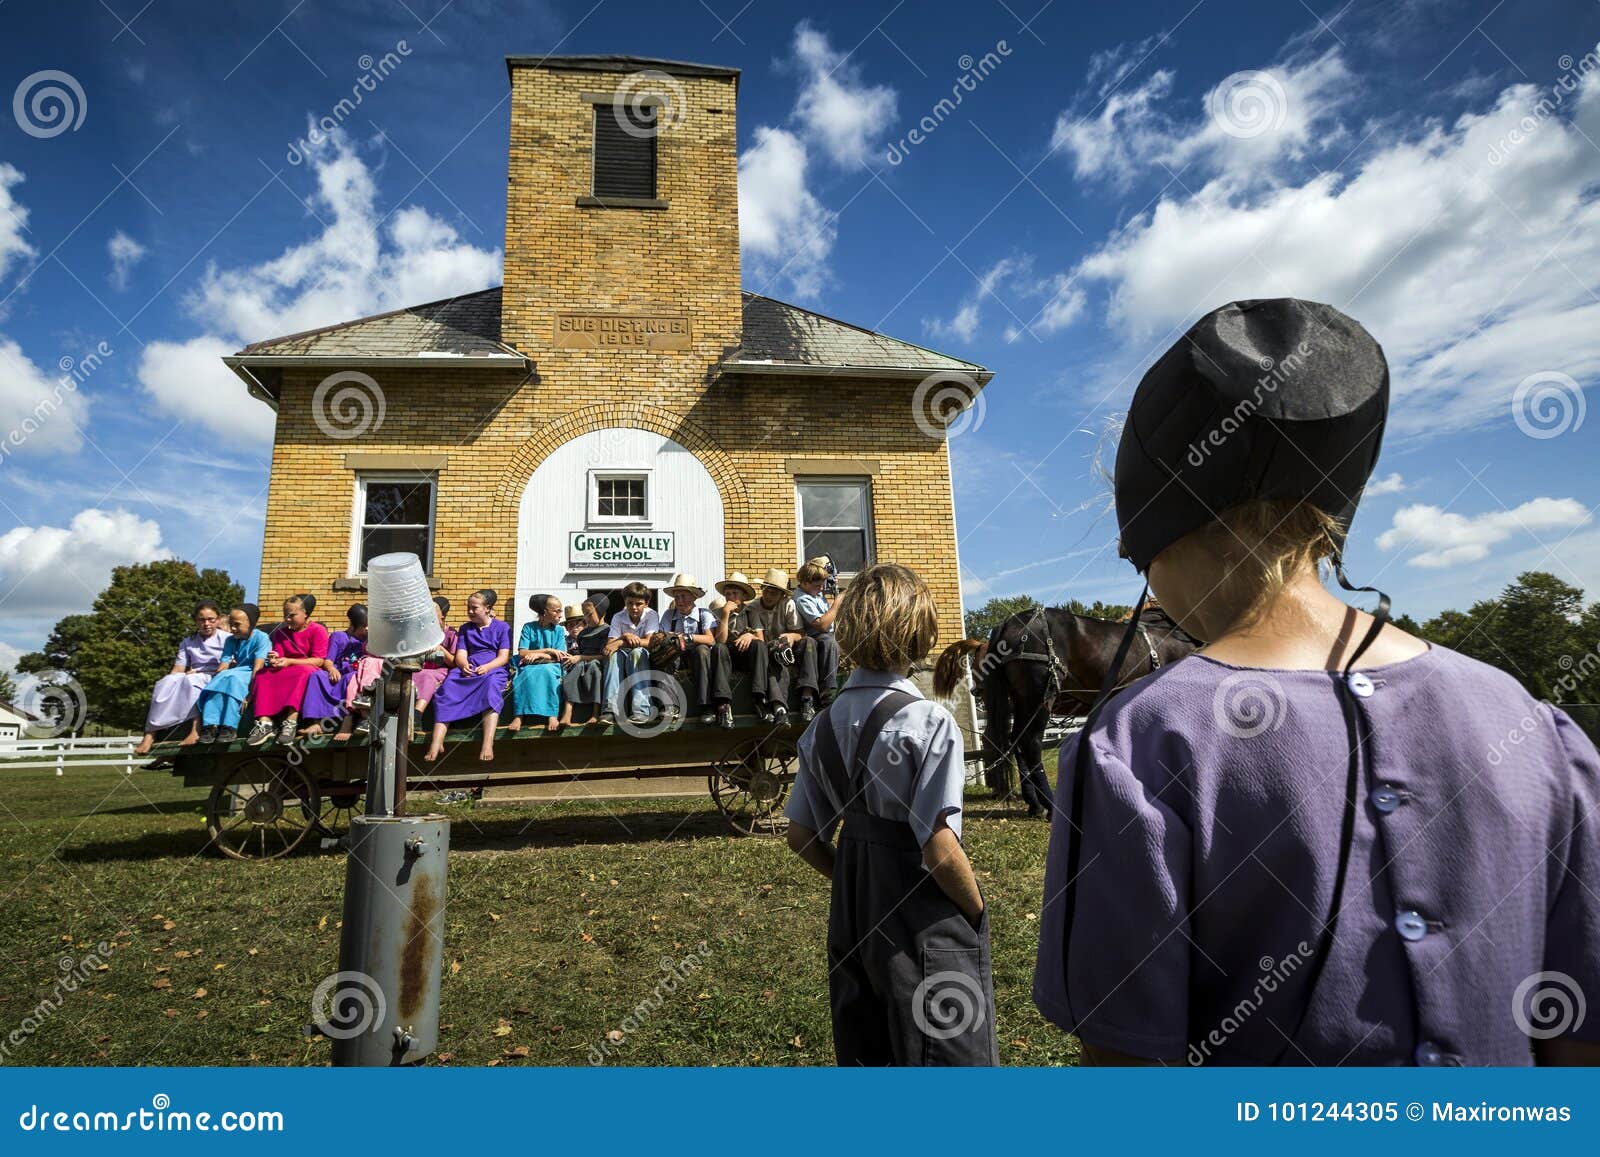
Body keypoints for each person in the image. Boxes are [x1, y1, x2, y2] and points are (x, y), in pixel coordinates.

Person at [1034, 298, 1600, 1067]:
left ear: (1158, 527)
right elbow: (1578, 1048)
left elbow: (1129, 1078)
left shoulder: (1137, 746)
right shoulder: (1530, 722)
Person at [784, 563, 996, 1066]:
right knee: (946, 1052)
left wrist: (854, 879)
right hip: (921, 914)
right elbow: (939, 848)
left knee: (866, 1046)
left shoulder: (822, 725)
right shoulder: (929, 720)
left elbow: (800, 834)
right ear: (920, 634)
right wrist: (975, 910)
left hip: (853, 912)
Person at [425, 589, 512, 762]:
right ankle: (437, 741)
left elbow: (503, 657)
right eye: (468, 608)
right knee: (448, 687)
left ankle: (487, 743)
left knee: (491, 687)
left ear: (487, 608)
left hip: (493, 667)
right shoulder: (465, 629)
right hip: (470, 666)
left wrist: (487, 667)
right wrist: (463, 665)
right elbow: (461, 654)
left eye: (475, 608)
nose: (470, 611)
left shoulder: (502, 627)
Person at [133, 601, 228, 754]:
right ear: (195, 621)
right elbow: (178, 668)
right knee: (164, 683)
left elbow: (230, 663)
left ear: (217, 619)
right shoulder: (188, 642)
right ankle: (150, 733)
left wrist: (195, 674)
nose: (206, 624)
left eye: (211, 619)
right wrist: (171, 683)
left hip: (216, 675)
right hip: (192, 674)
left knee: (192, 681)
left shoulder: (227, 639)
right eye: (201, 620)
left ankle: (195, 730)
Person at [246, 595, 330, 747]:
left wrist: (289, 661)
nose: (288, 619)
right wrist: (274, 658)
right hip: (287, 668)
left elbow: (319, 660)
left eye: (292, 615)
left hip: (306, 668)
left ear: (305, 613)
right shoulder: (280, 633)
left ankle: (290, 722)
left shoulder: (318, 630)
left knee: (303, 672)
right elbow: (279, 655)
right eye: (285, 615)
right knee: (262, 675)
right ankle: (265, 723)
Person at [656, 573, 731, 727]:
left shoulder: (705, 614)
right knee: (666, 653)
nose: (679, 600)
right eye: (677, 597)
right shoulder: (668, 615)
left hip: (700, 659)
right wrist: (668, 639)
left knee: (702, 650)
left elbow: (710, 639)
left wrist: (686, 637)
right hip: (677, 657)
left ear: (694, 596)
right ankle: (669, 705)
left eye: (683, 596)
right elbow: (663, 636)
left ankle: (706, 706)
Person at [193, 605, 270, 745]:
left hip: (251, 671)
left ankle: (229, 726)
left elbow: (258, 667)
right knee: (220, 681)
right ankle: (210, 725)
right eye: (231, 624)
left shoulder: (262, 638)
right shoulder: (230, 640)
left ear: (251, 623)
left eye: (237, 624)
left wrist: (251, 693)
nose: (233, 628)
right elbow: (224, 663)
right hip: (236, 671)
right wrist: (217, 677)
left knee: (233, 680)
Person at [752, 569, 817, 724]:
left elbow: (800, 633)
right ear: (762, 589)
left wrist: (790, 637)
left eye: (774, 593)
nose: (768, 596)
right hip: (767, 650)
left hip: (789, 647)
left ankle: (807, 697)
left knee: (809, 642)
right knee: (773, 655)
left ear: (782, 595)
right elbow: (759, 638)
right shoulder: (754, 607)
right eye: (766, 591)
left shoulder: (788, 604)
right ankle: (779, 708)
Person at [299, 604, 366, 740]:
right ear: (352, 626)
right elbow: (328, 661)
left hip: (354, 676)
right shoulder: (339, 636)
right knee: (317, 676)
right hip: (336, 674)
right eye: (363, 627)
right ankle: (316, 723)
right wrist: (331, 669)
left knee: (351, 678)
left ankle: (347, 720)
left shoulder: (368, 641)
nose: (366, 629)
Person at [508, 594, 572, 733]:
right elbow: (523, 652)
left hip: (551, 665)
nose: (560, 614)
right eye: (556, 611)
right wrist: (547, 650)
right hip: (529, 665)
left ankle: (552, 715)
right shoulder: (528, 627)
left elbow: (560, 656)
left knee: (548, 673)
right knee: (524, 674)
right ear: (544, 612)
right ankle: (519, 715)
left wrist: (538, 655)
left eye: (560, 610)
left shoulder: (559, 630)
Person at [601, 582, 660, 726]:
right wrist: (625, 636)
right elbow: (610, 646)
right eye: (630, 603)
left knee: (636, 653)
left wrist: (621, 641)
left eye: (638, 604)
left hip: (643, 657)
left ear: (646, 603)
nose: (633, 607)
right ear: (625, 602)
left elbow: (650, 642)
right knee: (613, 656)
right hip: (623, 655)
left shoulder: (651, 615)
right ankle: (610, 710)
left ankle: (642, 710)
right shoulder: (618, 616)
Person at [714, 573, 768, 721]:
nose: (731, 597)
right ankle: (723, 702)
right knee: (719, 649)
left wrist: (750, 636)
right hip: (727, 657)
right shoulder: (718, 612)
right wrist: (725, 614)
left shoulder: (751, 612)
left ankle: (759, 696)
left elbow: (761, 639)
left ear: (744, 596)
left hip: (746, 656)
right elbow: (720, 640)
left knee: (759, 645)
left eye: (735, 593)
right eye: (728, 594)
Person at [793, 558, 842, 718]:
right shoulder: (802, 599)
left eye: (823, 584)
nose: (821, 588)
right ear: (804, 582)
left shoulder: (815, 593)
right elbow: (821, 625)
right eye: (817, 585)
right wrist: (837, 603)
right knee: (829, 642)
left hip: (825, 637)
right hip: (813, 639)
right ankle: (827, 693)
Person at [561, 601, 608, 726]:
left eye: (578, 624)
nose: (575, 628)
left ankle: (595, 713)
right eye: (570, 625)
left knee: (594, 668)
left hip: (597, 663)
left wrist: (579, 657)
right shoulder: (574, 637)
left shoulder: (607, 630)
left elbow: (604, 654)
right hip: (580, 663)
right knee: (575, 669)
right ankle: (567, 712)